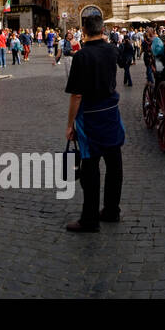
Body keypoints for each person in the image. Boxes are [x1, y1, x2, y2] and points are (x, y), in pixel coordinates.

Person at [64, 13, 125, 233]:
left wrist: (70, 125)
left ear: (84, 31)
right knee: (114, 164)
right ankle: (111, 210)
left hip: (90, 117)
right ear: (102, 29)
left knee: (90, 168)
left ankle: (89, 219)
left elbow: (76, 95)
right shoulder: (112, 51)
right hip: (111, 113)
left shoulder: (82, 56)